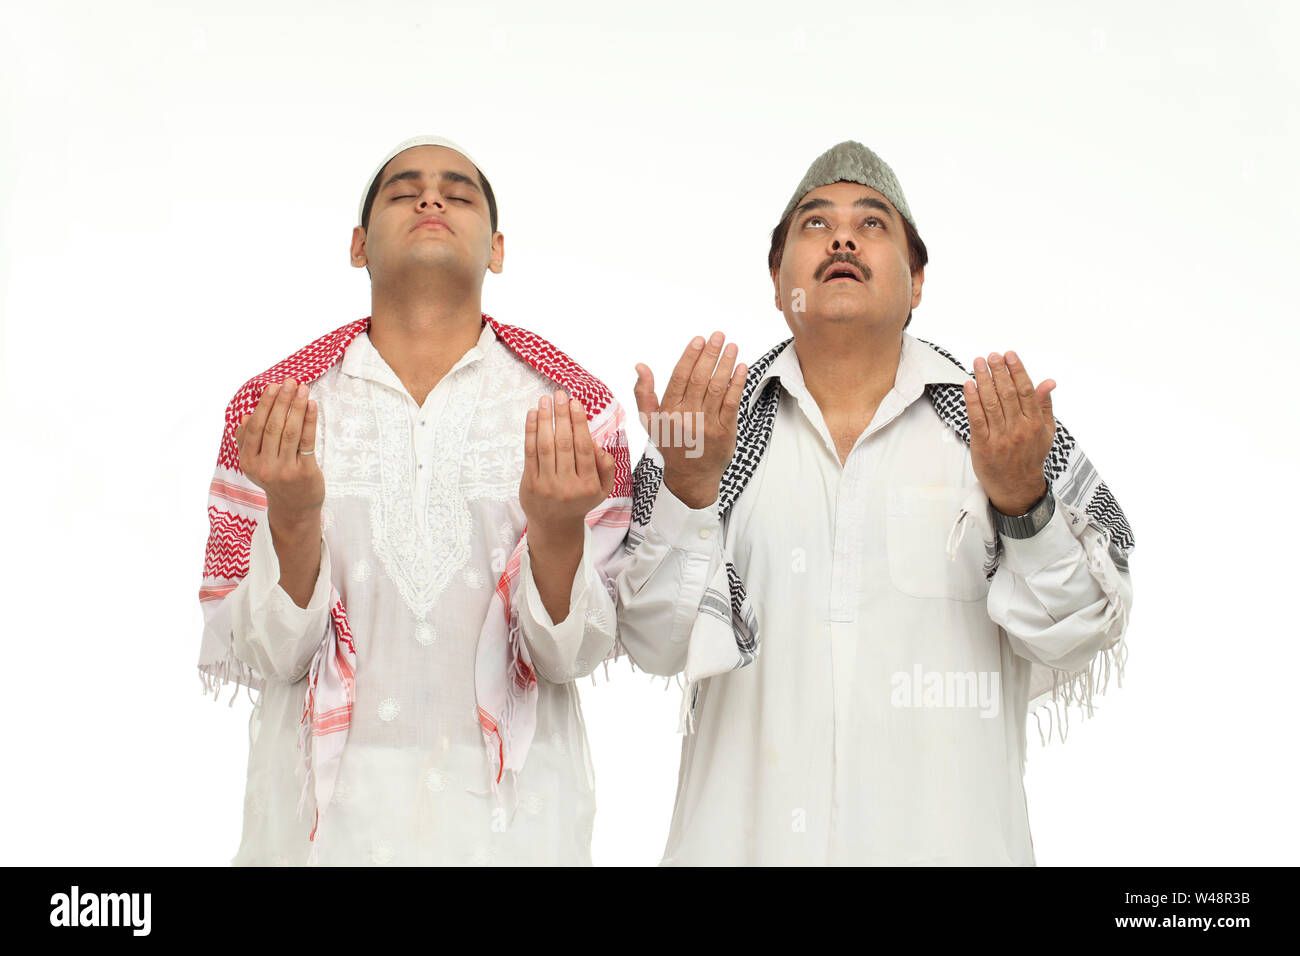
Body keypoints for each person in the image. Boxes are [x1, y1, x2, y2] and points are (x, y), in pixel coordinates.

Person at [615, 140, 1136, 866]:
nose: (842, 238)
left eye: (873, 223)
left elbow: (1077, 633)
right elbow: (650, 639)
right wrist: (689, 488)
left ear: (917, 280)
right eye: (814, 223)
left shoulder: (997, 429)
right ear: (777, 279)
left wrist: (1021, 501)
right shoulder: (707, 433)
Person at [196, 135, 632, 866]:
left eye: (458, 193)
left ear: (497, 249)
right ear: (359, 245)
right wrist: (296, 517)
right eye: (404, 191)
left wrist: (557, 530)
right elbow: (267, 652)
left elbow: (571, 653)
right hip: (323, 837)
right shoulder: (277, 410)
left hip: (514, 836)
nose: (431, 199)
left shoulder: (573, 413)